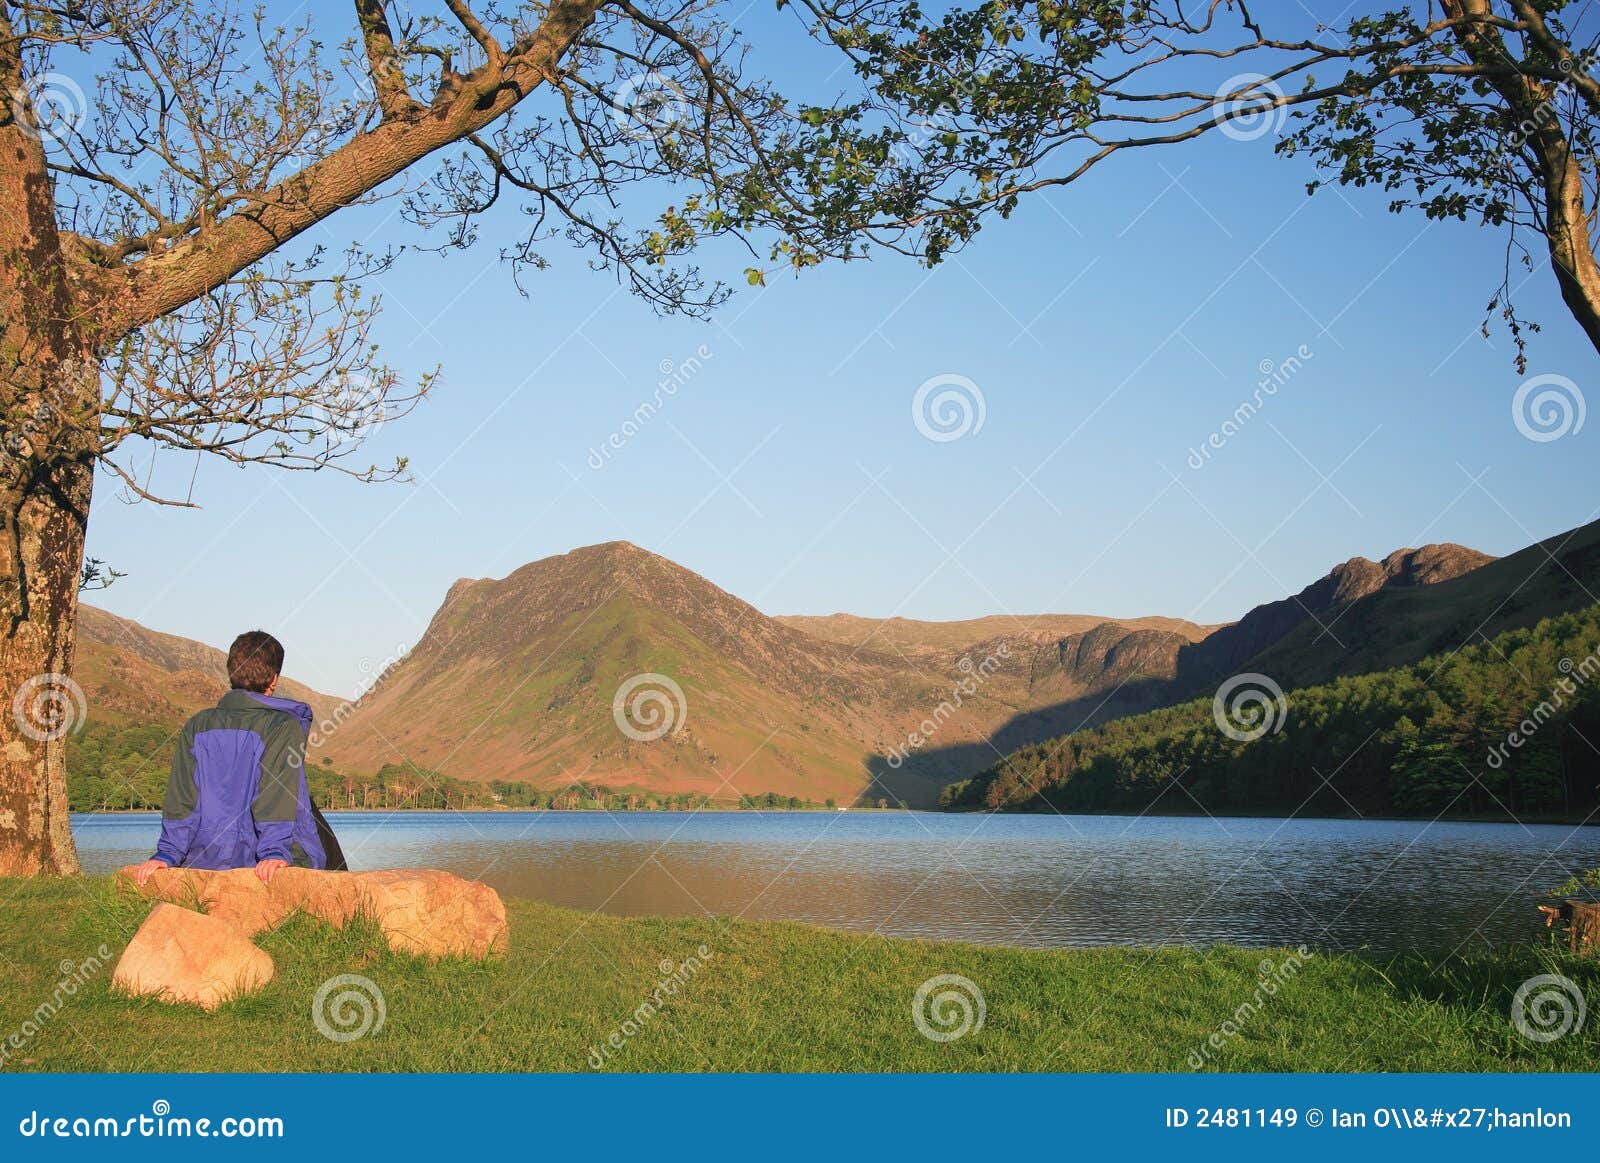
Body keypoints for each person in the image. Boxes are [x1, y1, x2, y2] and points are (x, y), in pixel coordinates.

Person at [131, 630, 347, 886]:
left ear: (231, 672)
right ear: (274, 679)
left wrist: (167, 853)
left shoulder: (197, 725)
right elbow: (275, 791)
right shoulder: (282, 725)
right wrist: (274, 852)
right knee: (322, 838)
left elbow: (182, 797)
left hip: (202, 856)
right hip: (257, 855)